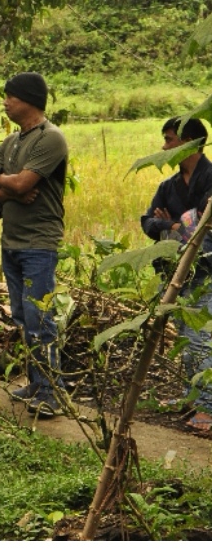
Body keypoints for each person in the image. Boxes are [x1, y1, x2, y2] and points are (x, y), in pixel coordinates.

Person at [0, 72, 69, 417]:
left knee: (39, 316)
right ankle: (37, 383)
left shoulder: (50, 139)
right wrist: (11, 185)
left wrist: (8, 184)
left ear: (29, 100)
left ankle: (51, 393)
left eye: (10, 97)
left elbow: (20, 182)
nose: (5, 102)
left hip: (39, 242)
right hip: (12, 241)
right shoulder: (9, 142)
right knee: (23, 316)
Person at [139, 116, 212, 431]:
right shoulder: (167, 186)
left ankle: (208, 408)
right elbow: (147, 222)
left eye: (169, 139)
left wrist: (178, 224)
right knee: (184, 337)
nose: (163, 147)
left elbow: (204, 226)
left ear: (191, 143)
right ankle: (190, 395)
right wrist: (173, 224)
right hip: (175, 271)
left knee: (201, 339)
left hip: (206, 271)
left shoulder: (210, 177)